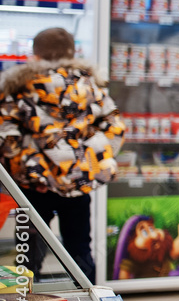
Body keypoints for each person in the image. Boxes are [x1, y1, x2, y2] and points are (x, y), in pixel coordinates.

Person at [0, 28, 125, 284]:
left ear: (35, 55)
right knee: (79, 249)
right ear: (73, 53)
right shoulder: (90, 86)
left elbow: (7, 137)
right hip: (78, 183)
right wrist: (86, 162)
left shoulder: (20, 87)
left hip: (33, 187)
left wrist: (26, 169)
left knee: (27, 252)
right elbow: (114, 128)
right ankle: (88, 297)